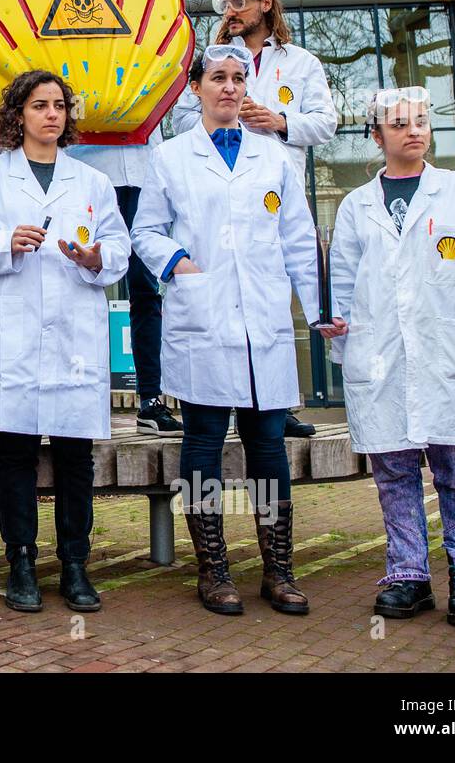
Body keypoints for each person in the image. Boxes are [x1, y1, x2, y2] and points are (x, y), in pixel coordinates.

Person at [319, 86, 455, 628]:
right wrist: (340, 332)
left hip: (445, 357)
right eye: (399, 123)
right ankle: (408, 575)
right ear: (377, 134)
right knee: (395, 472)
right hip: (381, 358)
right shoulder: (356, 205)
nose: (413, 131)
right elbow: (342, 280)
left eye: (421, 122)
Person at [132, 44, 318, 617]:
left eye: (239, 79)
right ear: (197, 88)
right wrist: (177, 264)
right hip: (203, 318)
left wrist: (319, 311)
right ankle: (213, 569)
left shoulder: (274, 157)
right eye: (219, 78)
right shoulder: (170, 158)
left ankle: (278, 570)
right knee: (204, 443)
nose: (230, 88)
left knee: (267, 446)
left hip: (262, 322)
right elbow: (146, 230)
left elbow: (299, 241)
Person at [0, 70, 130, 614]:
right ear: (18, 115)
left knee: (74, 455)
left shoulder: (91, 182)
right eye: (39, 106)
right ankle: (22, 564)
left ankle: (76, 565)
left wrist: (95, 257)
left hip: (74, 333)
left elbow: (119, 246)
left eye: (59, 106)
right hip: (14, 330)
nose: (51, 114)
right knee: (16, 453)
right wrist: (3, 242)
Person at [172, 0, 335, 439]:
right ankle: (219, 400)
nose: (231, 10)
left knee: (272, 291)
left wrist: (278, 121)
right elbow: (180, 119)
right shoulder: (209, 62)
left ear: (265, 2)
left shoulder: (302, 62)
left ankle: (277, 402)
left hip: (274, 190)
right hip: (216, 188)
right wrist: (220, 128)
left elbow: (326, 122)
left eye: (239, 0)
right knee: (223, 294)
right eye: (224, 2)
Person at [67, 97, 180, 436]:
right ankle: (78, 398)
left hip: (144, 175)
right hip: (89, 171)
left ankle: (150, 399)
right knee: (79, 286)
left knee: (146, 290)